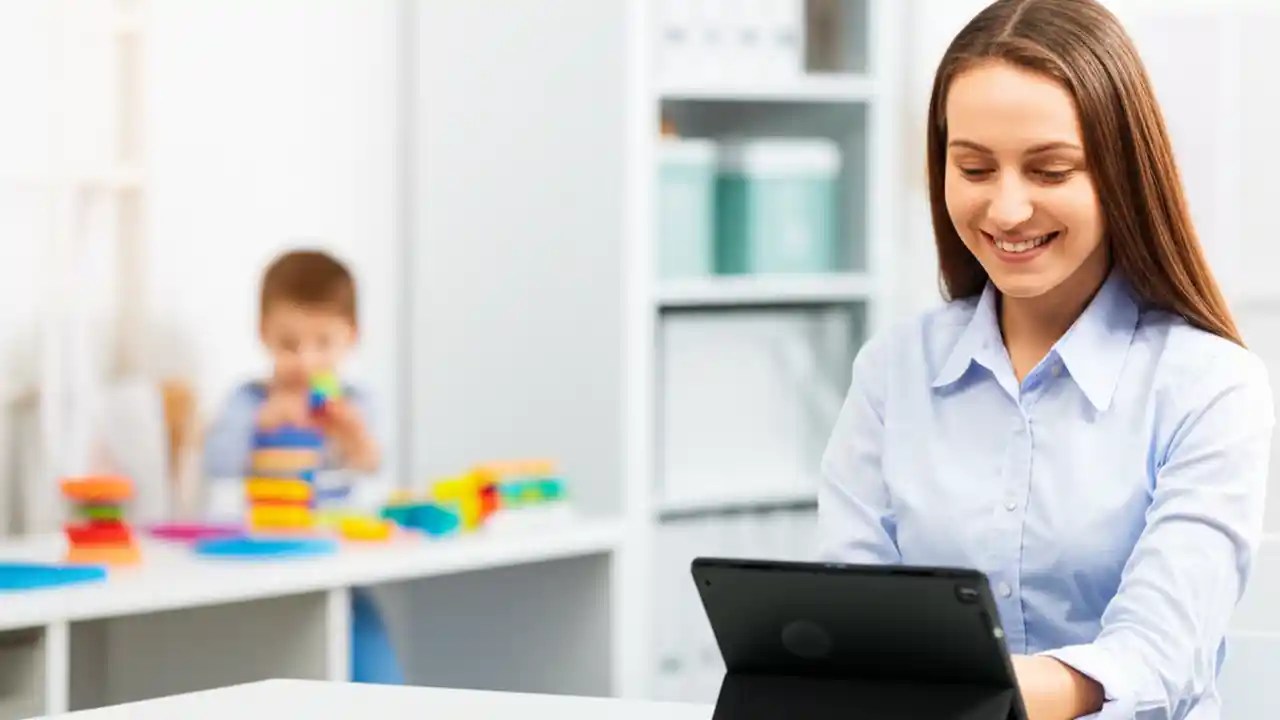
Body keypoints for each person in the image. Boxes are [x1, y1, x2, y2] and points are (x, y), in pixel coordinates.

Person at [818, 1, 1272, 718]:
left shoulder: (1211, 387)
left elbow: (1156, 651)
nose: (1005, 209)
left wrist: (972, 692)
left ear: (1121, 174)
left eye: (1050, 170)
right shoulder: (892, 372)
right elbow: (847, 614)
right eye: (973, 167)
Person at [202, 248, 404, 685]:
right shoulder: (249, 400)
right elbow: (216, 462)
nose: (306, 361)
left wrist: (352, 436)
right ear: (263, 334)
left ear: (351, 337)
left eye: (323, 344)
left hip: (336, 556)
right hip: (266, 554)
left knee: (364, 648)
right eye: (289, 344)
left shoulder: (357, 403)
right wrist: (261, 424)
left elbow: (374, 464)